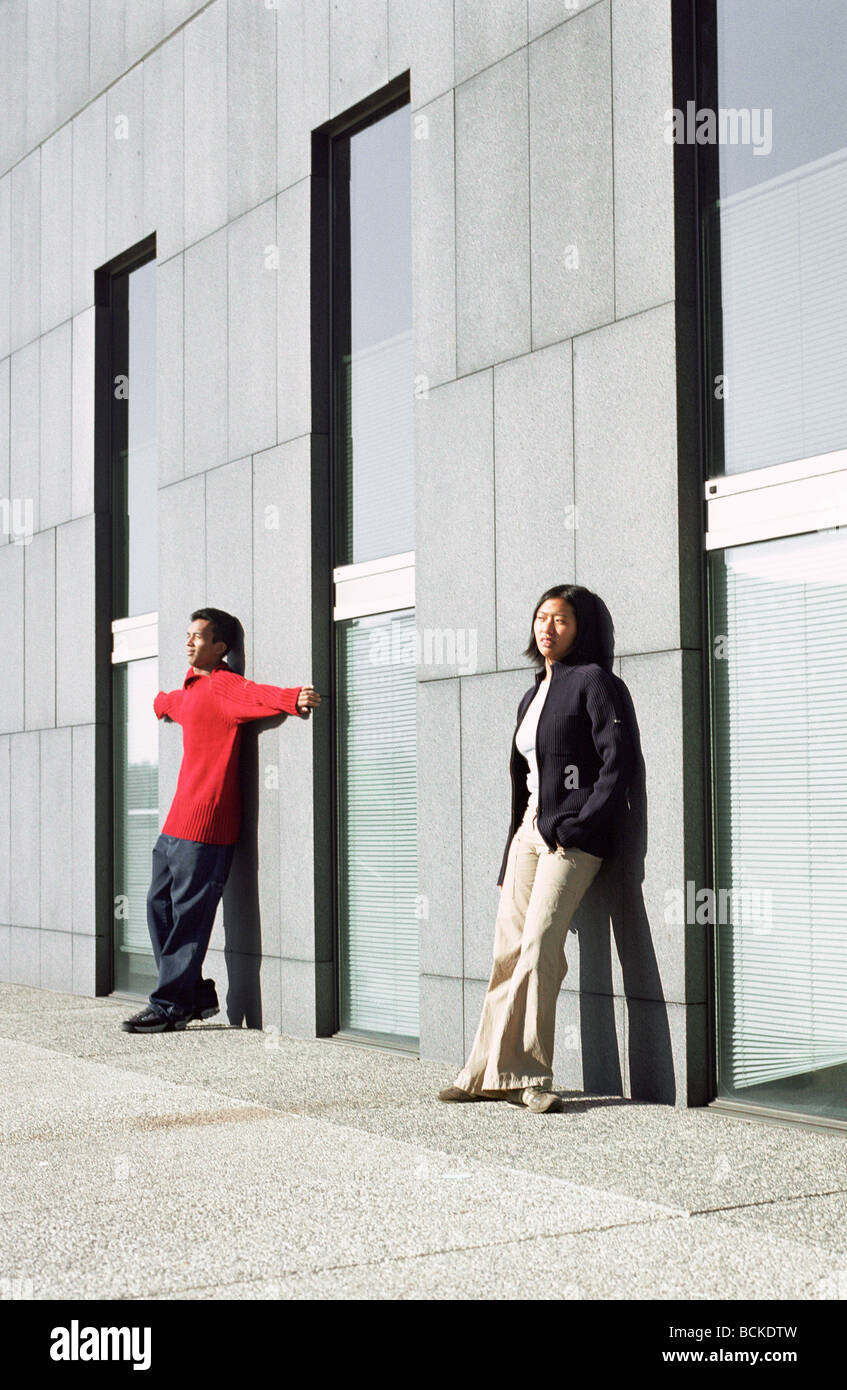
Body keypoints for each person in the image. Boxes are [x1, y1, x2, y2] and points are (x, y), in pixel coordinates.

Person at [438, 585, 634, 1112]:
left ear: (581, 628)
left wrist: (578, 825)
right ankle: (483, 1071)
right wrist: (510, 853)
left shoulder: (594, 682)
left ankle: (529, 1075)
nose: (547, 628)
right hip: (528, 832)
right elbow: (521, 781)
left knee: (539, 947)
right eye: (541, 618)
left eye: (562, 620)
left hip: (570, 837)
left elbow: (617, 765)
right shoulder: (532, 694)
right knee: (506, 951)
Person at [121, 607, 321, 1033]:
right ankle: (193, 994)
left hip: (208, 828)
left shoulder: (224, 686)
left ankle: (171, 1006)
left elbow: (259, 694)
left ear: (220, 647)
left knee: (190, 919)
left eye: (198, 636)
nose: (189, 642)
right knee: (157, 906)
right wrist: (159, 703)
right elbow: (171, 703)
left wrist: (294, 696)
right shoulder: (190, 690)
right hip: (175, 826)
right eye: (188, 635)